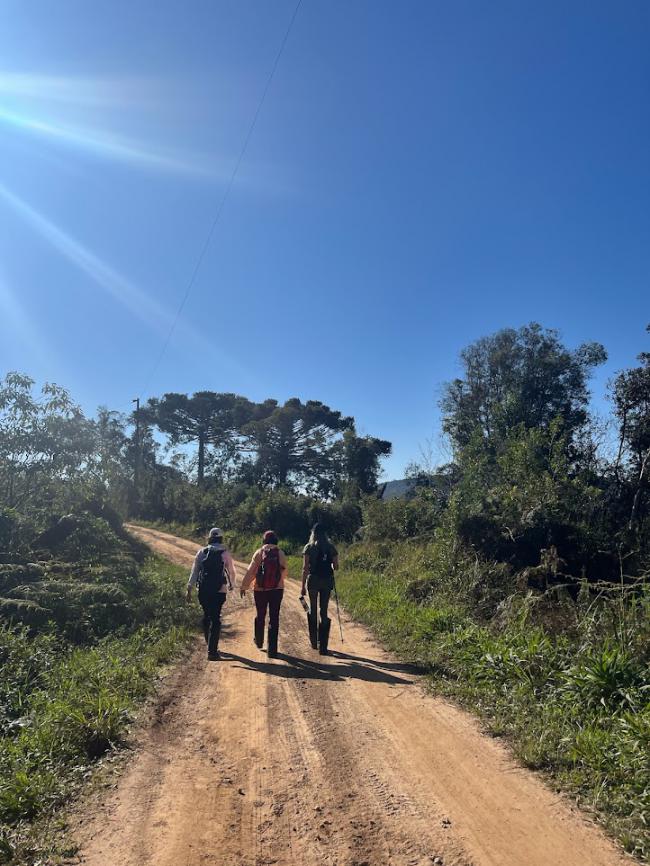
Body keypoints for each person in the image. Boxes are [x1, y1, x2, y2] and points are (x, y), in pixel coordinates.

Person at [186, 527, 237, 661]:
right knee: (216, 618)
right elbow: (231, 571)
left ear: (209, 538)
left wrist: (189, 587)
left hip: (203, 590)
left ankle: (209, 643)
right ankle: (212, 651)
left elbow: (195, 571)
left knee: (206, 615)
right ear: (221, 538)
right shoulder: (225, 553)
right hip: (219, 590)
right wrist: (232, 584)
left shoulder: (201, 552)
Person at [240, 530, 288, 659]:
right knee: (274, 617)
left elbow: (251, 571)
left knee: (260, 614)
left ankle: (259, 640)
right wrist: (277, 582)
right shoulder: (280, 553)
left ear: (264, 540)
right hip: (277, 590)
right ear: (276, 540)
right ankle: (272, 650)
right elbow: (284, 573)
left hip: (260, 590)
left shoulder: (259, 552)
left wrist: (244, 586)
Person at [301, 523, 338, 655]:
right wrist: (330, 567)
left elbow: (305, 568)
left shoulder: (309, 547)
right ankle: (323, 645)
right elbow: (336, 566)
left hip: (313, 581)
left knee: (313, 609)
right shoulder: (331, 547)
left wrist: (302, 587)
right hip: (327, 581)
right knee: (324, 611)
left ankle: (314, 641)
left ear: (313, 533)